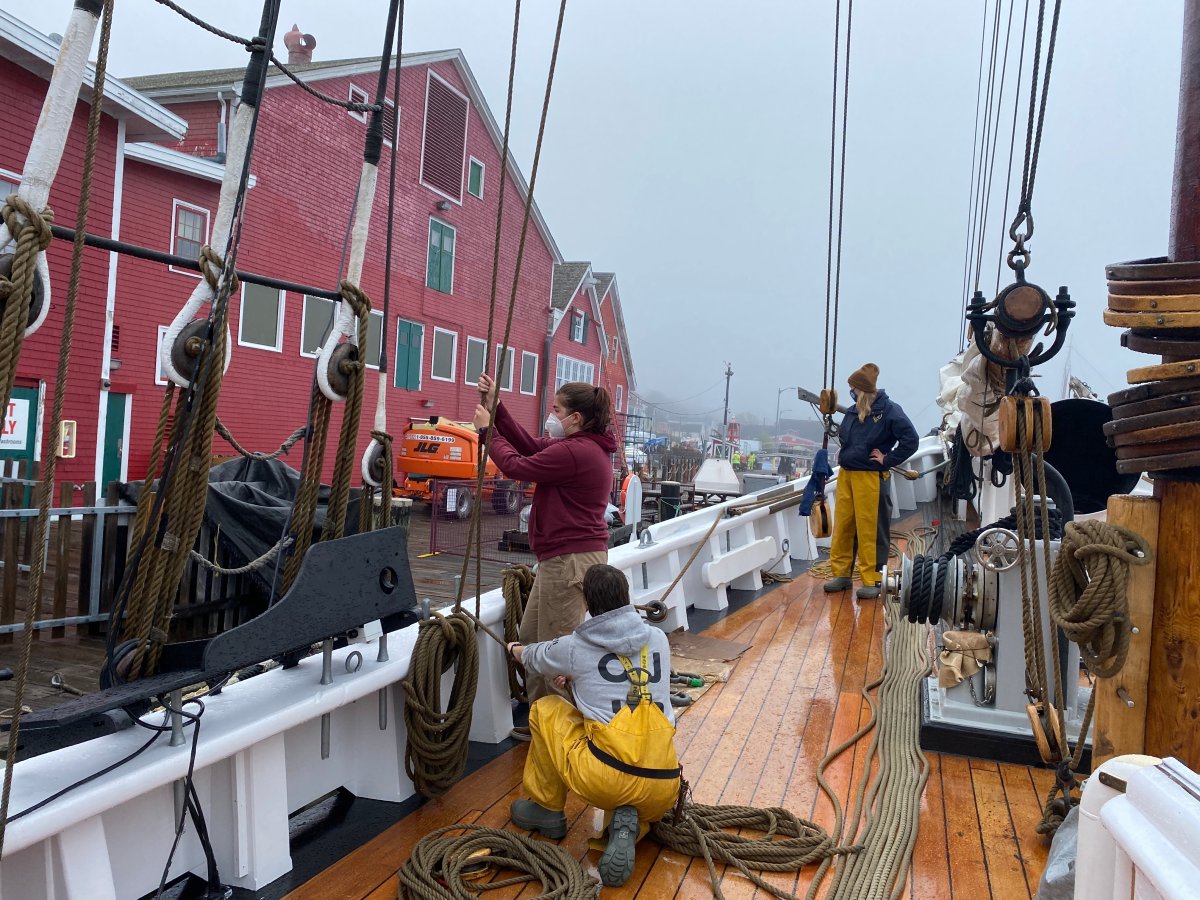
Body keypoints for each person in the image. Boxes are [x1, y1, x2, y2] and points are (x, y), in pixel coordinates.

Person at [505, 564, 680, 888]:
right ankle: (629, 824)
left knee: (546, 709)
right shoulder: (658, 638)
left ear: (586, 602)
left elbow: (531, 656)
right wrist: (577, 680)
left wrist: (513, 648)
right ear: (627, 598)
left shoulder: (574, 647)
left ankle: (546, 809)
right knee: (634, 772)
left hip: (605, 779)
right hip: (664, 782)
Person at [474, 374, 617, 732]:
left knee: (554, 653)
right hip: (561, 560)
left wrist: (487, 433)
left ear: (576, 418)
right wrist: (498, 408)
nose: (552, 416)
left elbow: (518, 466)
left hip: (570, 562)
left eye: (557, 410)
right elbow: (531, 447)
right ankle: (543, 724)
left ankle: (560, 734)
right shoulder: (581, 447)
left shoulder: (576, 452)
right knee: (533, 638)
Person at [825, 363, 919, 600]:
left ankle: (873, 579)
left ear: (862, 389)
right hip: (848, 475)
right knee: (845, 526)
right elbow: (849, 438)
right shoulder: (852, 411)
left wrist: (887, 459)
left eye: (853, 388)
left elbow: (911, 439)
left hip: (871, 478)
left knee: (871, 529)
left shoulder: (889, 410)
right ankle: (842, 574)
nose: (851, 393)